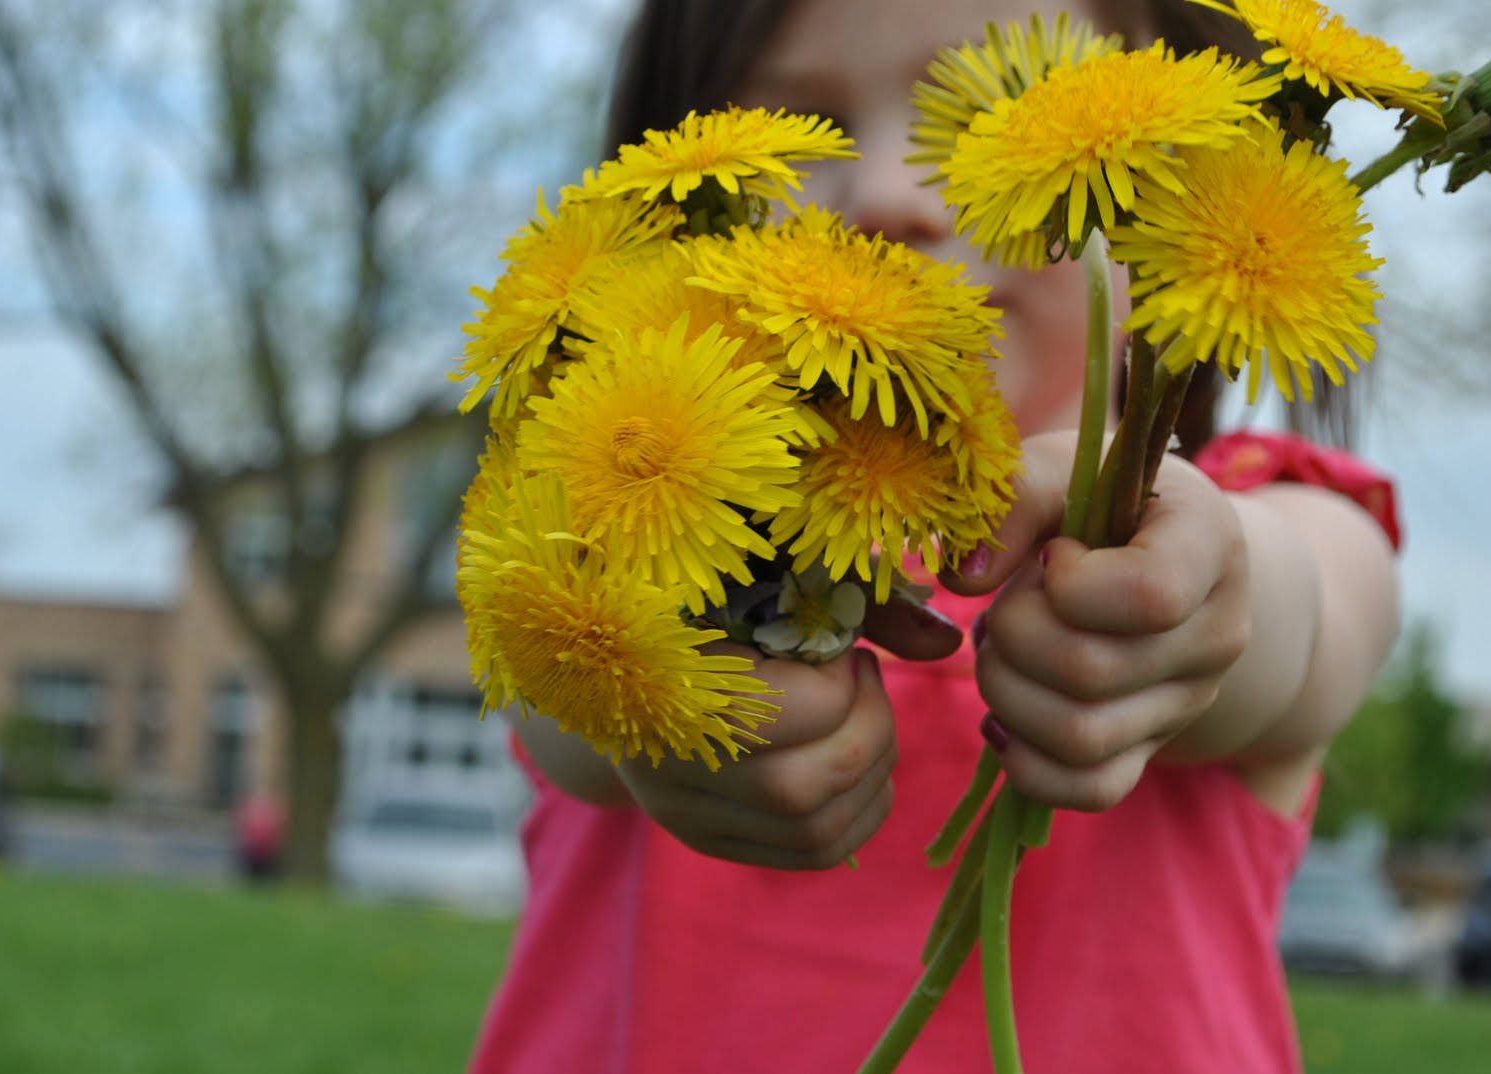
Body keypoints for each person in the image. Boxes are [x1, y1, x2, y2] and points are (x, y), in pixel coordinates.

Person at [467, 1, 1402, 1071]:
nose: (882, 196)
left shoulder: (1265, 508)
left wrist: (1188, 591)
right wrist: (644, 708)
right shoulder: (603, 523)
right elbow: (541, 675)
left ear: (1200, 181)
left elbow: (1305, 620)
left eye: (987, 121)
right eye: (800, 120)